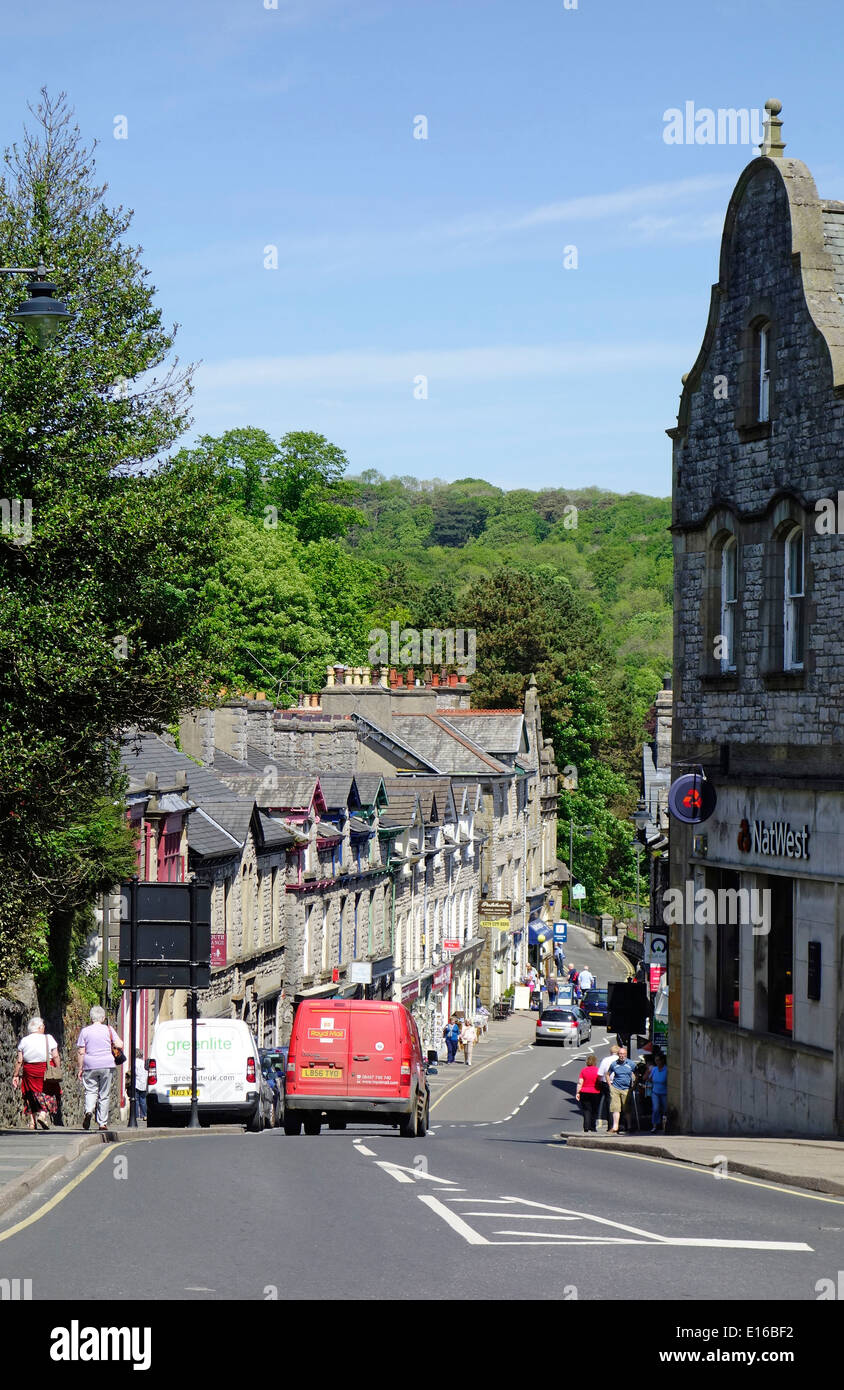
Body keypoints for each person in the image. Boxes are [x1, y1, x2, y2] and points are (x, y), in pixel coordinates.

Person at [76, 1005, 124, 1132]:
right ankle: (102, 1123)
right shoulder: (108, 1029)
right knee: (104, 1094)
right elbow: (120, 1044)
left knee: (90, 1091)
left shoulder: (85, 1031)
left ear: (91, 1018)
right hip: (106, 1064)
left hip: (90, 1065)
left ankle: (88, 1111)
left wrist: (80, 1068)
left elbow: (81, 1051)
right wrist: (111, 1043)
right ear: (103, 1018)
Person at [12, 1018, 60, 1130]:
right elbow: (55, 1055)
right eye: (43, 1026)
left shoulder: (24, 1041)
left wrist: (15, 1074)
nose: (44, 1028)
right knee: (49, 1092)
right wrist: (58, 1068)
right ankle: (43, 1115)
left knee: (30, 1094)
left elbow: (20, 1060)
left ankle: (32, 1122)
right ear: (39, 1028)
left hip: (29, 1071)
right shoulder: (49, 1038)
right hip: (45, 1070)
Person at [606, 1046, 636, 1134]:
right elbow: (607, 1074)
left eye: (623, 1054)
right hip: (615, 1088)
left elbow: (637, 1074)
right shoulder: (614, 1064)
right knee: (616, 1108)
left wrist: (634, 1086)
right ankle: (615, 1127)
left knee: (627, 1109)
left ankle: (629, 1127)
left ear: (626, 1055)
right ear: (618, 1055)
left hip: (626, 1089)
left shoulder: (631, 1064)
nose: (621, 1056)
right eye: (620, 1054)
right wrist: (610, 1085)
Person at [576, 1052, 601, 1132]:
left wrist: (577, 1093)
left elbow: (580, 1082)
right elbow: (599, 1081)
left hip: (584, 1092)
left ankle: (586, 1127)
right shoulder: (598, 1071)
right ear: (595, 1062)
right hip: (595, 1092)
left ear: (587, 1062)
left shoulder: (583, 1070)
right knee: (594, 1110)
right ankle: (593, 1127)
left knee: (586, 1110)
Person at [596, 1044, 619, 1130]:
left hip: (607, 1084)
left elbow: (600, 1074)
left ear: (611, 1052)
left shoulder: (605, 1060)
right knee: (619, 1105)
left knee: (609, 1105)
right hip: (620, 1084)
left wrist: (600, 1082)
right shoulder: (622, 1060)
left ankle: (611, 1126)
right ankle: (620, 1125)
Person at [649, 1051, 668, 1132]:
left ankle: (665, 1126)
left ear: (662, 1060)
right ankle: (655, 1126)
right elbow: (649, 1078)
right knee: (655, 1108)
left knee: (665, 1109)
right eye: (656, 1060)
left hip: (664, 1093)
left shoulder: (666, 1069)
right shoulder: (654, 1069)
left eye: (658, 1060)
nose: (657, 1062)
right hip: (655, 1092)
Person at [134, 1049, 148, 1121]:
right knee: (143, 1100)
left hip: (136, 1083)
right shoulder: (144, 1063)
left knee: (135, 1100)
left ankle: (136, 1115)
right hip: (143, 1083)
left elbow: (134, 1073)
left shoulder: (135, 1062)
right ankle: (144, 1115)